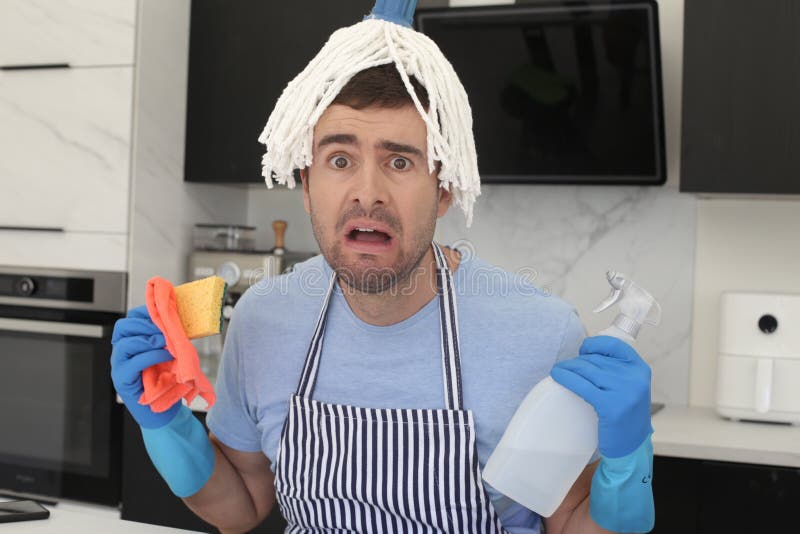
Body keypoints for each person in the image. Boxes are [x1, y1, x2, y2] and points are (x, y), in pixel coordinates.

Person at [111, 2, 655, 533]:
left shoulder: (540, 332)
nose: (367, 192)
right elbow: (241, 506)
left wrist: (628, 462)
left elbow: (571, 523)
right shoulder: (262, 319)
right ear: (306, 185)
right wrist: (166, 423)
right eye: (340, 160)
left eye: (399, 161)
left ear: (444, 191)